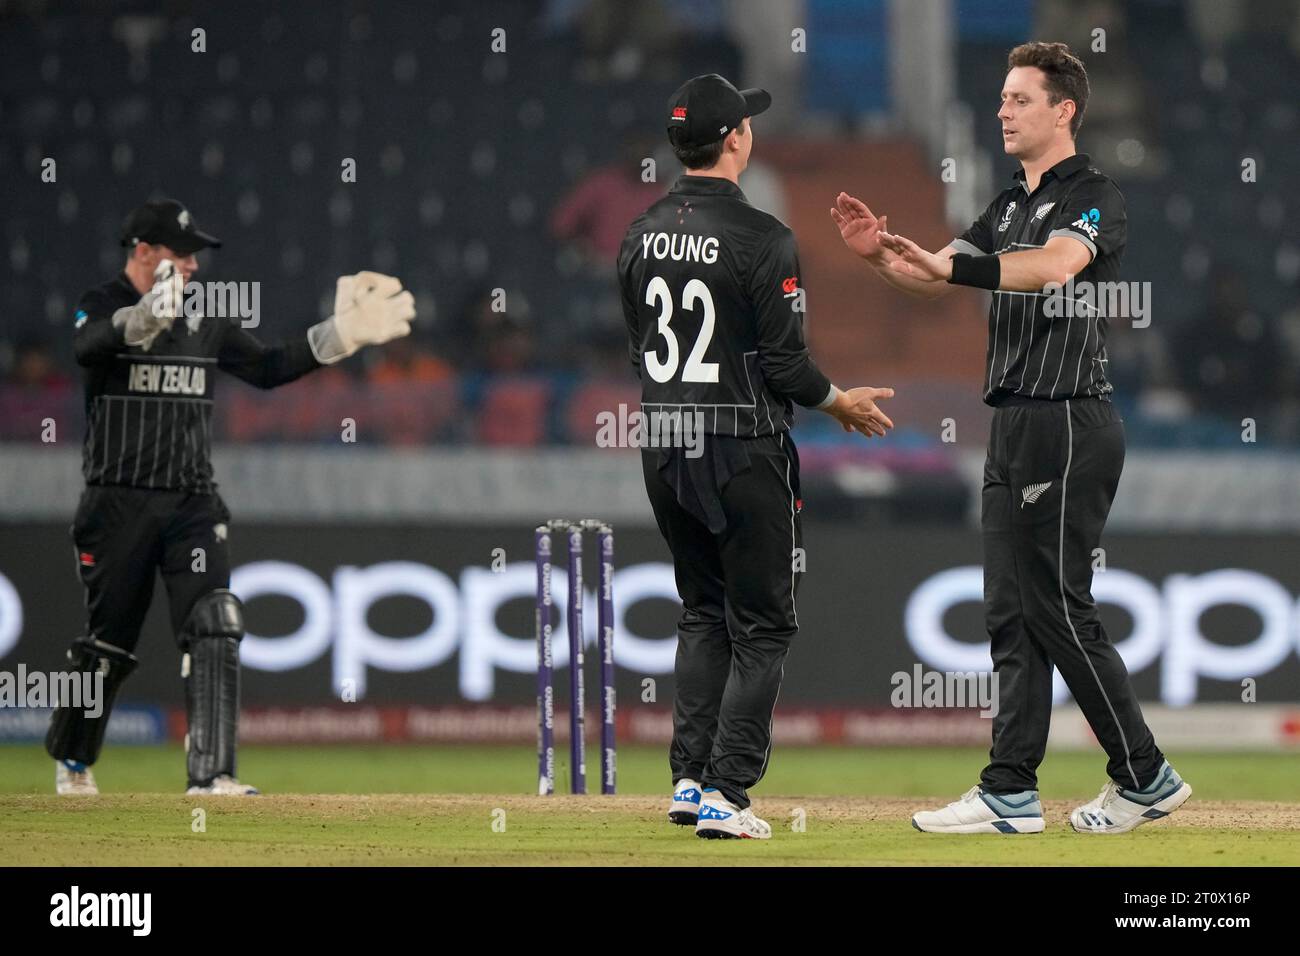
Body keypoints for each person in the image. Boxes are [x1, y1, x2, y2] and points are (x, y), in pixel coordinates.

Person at [832, 42, 1191, 834]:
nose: (1002, 110)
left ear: (1063, 110)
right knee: (1011, 614)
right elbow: (938, 272)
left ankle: (1146, 776)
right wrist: (879, 260)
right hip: (1015, 423)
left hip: (1067, 418)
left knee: (1058, 606)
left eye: (1019, 99)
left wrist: (949, 268)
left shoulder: (1095, 196)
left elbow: (1055, 268)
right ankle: (1010, 792)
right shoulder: (1005, 205)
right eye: (999, 99)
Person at [48, 198, 414, 796]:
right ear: (143, 252)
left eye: (195, 256)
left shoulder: (206, 316)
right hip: (117, 503)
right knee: (108, 644)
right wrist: (143, 320)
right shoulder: (101, 302)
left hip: (192, 501)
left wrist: (341, 335)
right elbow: (89, 346)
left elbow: (268, 367)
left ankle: (212, 775)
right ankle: (73, 761)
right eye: (180, 253)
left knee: (215, 620)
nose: (192, 266)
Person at [618, 74, 894, 839]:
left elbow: (640, 352)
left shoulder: (638, 233)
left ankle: (687, 778)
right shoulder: (763, 237)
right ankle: (728, 794)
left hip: (664, 445)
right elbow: (787, 368)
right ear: (736, 139)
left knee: (703, 611)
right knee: (764, 625)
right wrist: (840, 401)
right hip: (742, 447)